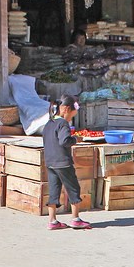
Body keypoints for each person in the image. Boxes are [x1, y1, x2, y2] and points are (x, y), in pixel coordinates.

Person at [42, 94, 92, 230]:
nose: (71, 119)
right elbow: (64, 141)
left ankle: (52, 221)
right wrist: (76, 139)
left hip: (50, 162)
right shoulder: (63, 123)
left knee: (54, 190)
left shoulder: (49, 122)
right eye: (72, 115)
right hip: (63, 162)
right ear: (66, 109)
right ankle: (75, 219)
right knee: (73, 188)